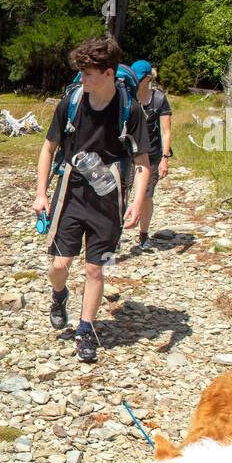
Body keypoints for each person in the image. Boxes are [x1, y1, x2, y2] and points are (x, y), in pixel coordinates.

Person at [33, 35, 150, 363]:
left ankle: (86, 330)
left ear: (109, 74)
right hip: (70, 191)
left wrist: (137, 204)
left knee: (97, 270)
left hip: (109, 198)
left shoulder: (131, 111)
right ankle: (59, 295)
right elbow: (48, 148)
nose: (81, 79)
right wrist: (41, 194)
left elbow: (142, 164)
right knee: (59, 265)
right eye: (80, 72)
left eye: (87, 73)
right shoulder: (70, 103)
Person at [128, 60, 173, 250]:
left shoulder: (159, 100)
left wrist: (164, 159)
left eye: (138, 79)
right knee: (119, 194)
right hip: (126, 155)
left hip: (152, 156)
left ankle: (143, 234)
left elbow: (166, 132)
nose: (135, 82)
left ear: (148, 78)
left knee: (146, 195)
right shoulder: (126, 97)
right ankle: (112, 236)